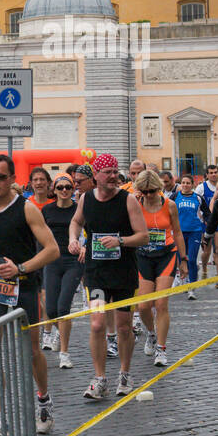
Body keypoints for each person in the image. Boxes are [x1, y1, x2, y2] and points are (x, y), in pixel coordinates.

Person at [0, 154, 60, 433]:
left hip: (25, 286)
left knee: (31, 349)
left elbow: (52, 249)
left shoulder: (27, 209)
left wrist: (21, 268)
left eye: (1, 177)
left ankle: (44, 401)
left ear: (12, 179)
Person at [70, 153, 149, 401]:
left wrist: (120, 241)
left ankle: (124, 374)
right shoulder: (86, 199)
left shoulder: (128, 201)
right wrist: (74, 239)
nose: (114, 176)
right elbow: (75, 220)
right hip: (96, 274)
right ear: (96, 175)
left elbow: (143, 236)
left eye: (116, 171)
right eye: (108, 172)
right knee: (96, 324)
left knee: (124, 326)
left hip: (123, 273)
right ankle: (100, 378)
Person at [132, 169, 187, 368]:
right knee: (144, 306)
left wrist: (184, 259)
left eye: (152, 191)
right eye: (144, 192)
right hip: (143, 256)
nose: (148, 195)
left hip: (166, 255)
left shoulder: (169, 205)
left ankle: (161, 349)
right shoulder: (135, 204)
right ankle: (152, 334)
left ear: (159, 188)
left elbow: (178, 232)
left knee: (161, 304)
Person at [41, 172, 84, 369]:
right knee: (50, 309)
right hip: (52, 260)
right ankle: (60, 330)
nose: (65, 190)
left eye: (68, 187)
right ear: (54, 190)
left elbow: (89, 231)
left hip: (73, 261)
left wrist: (85, 247)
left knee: (63, 307)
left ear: (73, 188)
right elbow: (39, 236)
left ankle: (65, 353)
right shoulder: (47, 210)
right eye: (60, 187)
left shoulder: (79, 209)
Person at [173, 175, 205, 300]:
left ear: (192, 185)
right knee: (182, 259)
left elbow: (207, 213)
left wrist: (206, 226)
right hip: (179, 232)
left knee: (191, 259)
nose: (185, 185)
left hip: (194, 231)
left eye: (188, 183)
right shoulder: (175, 197)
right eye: (183, 183)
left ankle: (192, 287)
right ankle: (184, 280)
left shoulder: (198, 197)